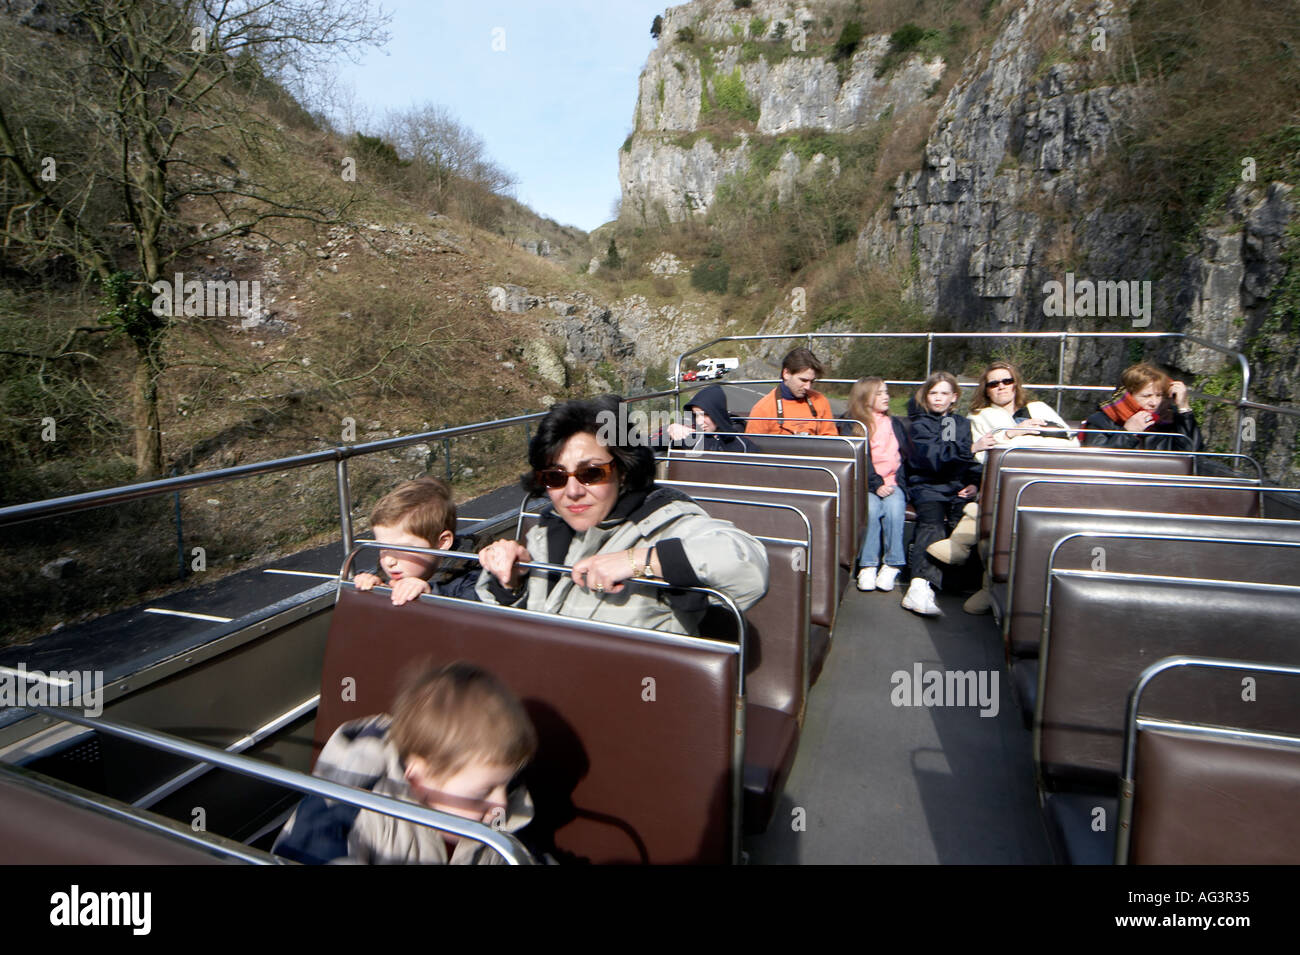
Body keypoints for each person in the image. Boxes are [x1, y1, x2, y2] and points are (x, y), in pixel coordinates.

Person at [476, 396, 769, 635]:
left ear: (624, 470)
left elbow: (748, 570)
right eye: (555, 477)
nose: (573, 491)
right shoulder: (546, 532)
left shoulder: (664, 524)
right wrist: (513, 584)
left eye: (591, 473)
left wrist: (641, 561)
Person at [273, 661, 537, 865]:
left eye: (505, 784)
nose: (501, 802)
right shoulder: (350, 817)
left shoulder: (502, 813)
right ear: (418, 779)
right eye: (483, 792)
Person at [901, 372, 993, 617]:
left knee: (967, 521)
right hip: (928, 485)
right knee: (932, 522)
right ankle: (919, 585)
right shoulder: (919, 424)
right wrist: (972, 448)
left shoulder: (959, 423)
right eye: (933, 393)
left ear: (954, 397)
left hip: (956, 486)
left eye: (944, 393)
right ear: (925, 396)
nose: (938, 398)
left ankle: (966, 584)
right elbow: (932, 458)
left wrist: (974, 482)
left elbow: (967, 460)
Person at [353, 477, 479, 605]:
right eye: (382, 548)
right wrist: (378, 590)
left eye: (402, 549)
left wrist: (431, 594)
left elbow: (474, 616)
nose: (389, 561)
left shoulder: (471, 582)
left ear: (442, 542)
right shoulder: (385, 577)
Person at [847, 377, 908, 593]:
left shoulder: (895, 424)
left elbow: (905, 456)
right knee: (871, 510)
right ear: (865, 397)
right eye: (880, 393)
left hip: (893, 482)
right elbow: (859, 460)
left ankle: (893, 563)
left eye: (886, 392)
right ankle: (868, 564)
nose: (886, 397)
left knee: (894, 509)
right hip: (866, 484)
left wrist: (897, 482)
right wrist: (875, 484)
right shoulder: (854, 425)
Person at [967, 361, 1079, 463]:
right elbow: (981, 456)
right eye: (993, 384)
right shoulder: (978, 417)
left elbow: (1073, 443)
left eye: (1007, 382)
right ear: (986, 391)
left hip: (1052, 465)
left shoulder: (1039, 408)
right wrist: (1010, 433)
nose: (1001, 387)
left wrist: (1010, 441)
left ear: (1015, 385)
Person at [1081, 362, 1203, 452]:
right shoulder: (1101, 420)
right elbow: (1095, 462)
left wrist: (1184, 409)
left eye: (1159, 395)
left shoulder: (1170, 419)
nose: (1154, 402)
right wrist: (1128, 433)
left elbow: (1193, 455)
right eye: (1146, 396)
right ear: (1128, 396)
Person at [744, 347, 839, 436]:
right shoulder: (762, 410)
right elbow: (752, 448)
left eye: (812, 381)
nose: (808, 387)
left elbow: (832, 442)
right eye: (803, 380)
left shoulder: (820, 401)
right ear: (786, 374)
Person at [663, 384, 755, 452]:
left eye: (706, 414)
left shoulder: (742, 444)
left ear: (717, 414)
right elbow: (651, 443)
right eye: (696, 415)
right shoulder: (691, 437)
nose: (699, 422)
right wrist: (670, 429)